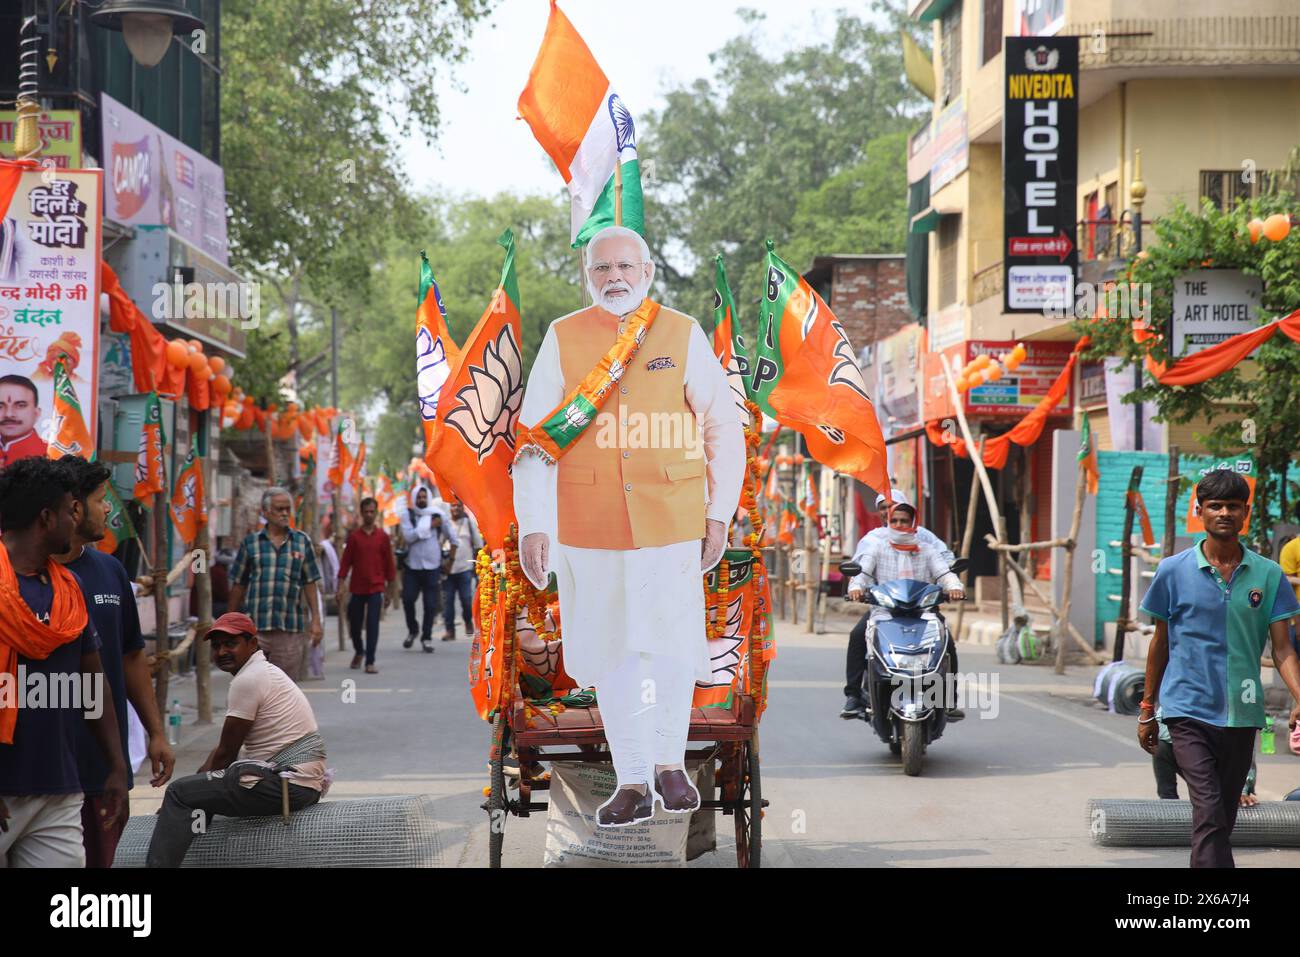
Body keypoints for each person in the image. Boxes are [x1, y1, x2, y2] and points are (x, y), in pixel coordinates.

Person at [515, 224, 746, 827]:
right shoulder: (563, 337)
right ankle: (634, 779)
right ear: (587, 276)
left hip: (670, 520)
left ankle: (671, 763)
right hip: (587, 526)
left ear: (647, 273)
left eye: (625, 268)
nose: (613, 278)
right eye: (601, 269)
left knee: (668, 645)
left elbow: (723, 425)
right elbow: (536, 440)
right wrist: (534, 524)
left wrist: (718, 513)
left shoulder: (680, 331)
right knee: (614, 652)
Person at [1137, 468, 1300, 868]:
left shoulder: (1269, 574)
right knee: (1208, 809)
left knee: (1222, 818)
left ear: (1245, 513)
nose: (1224, 512)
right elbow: (1160, 642)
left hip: (1242, 713)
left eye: (1233, 505)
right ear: (1200, 511)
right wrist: (1147, 707)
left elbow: (1283, 650)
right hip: (1186, 710)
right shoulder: (1173, 571)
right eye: (1215, 506)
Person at [0, 456, 127, 867]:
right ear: (46, 517)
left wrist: (115, 765)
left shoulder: (68, 589)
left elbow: (94, 683)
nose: (77, 519)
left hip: (58, 789)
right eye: (71, 509)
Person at [52, 455, 175, 867]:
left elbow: (132, 655)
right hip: (39, 765)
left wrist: (156, 732)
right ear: (73, 507)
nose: (108, 509)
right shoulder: (20, 577)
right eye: (102, 499)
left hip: (104, 763)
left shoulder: (111, 571)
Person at [145, 612, 325, 867]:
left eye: (231, 644)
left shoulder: (249, 679)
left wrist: (192, 789)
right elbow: (223, 749)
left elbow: (225, 754)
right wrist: (199, 783)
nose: (221, 652)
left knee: (178, 793)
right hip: (300, 784)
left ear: (253, 644)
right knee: (195, 789)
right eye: (216, 646)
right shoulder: (264, 671)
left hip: (288, 786)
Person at [842, 502, 965, 720]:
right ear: (888, 522)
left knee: (948, 644)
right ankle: (854, 696)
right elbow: (861, 575)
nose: (899, 525)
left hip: (922, 611)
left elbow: (944, 573)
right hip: (884, 611)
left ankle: (948, 699)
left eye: (904, 521)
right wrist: (855, 588)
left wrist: (954, 587)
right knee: (857, 636)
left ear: (913, 522)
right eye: (894, 520)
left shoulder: (927, 549)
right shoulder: (877, 547)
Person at [228, 487, 324, 682]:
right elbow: (239, 584)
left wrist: (315, 620)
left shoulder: (301, 541)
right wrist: (229, 622)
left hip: (289, 628)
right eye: (279, 509)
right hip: (255, 630)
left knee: (285, 689)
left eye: (287, 509)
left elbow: (310, 583)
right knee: (253, 686)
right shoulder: (251, 543)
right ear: (265, 512)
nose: (284, 514)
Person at [339, 497, 396, 673]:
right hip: (357, 588)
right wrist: (340, 584)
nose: (369, 514)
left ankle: (370, 660)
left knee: (372, 625)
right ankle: (359, 651)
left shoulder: (383, 537)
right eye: (366, 511)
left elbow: (389, 565)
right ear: (362, 513)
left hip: (376, 588)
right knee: (354, 624)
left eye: (372, 511)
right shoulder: (354, 537)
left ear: (376, 512)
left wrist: (390, 592)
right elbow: (346, 562)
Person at [398, 486, 452, 653]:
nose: (421, 500)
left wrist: (451, 560)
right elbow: (409, 537)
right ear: (414, 498)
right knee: (407, 599)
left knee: (430, 605)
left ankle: (426, 637)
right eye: (418, 497)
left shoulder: (438, 515)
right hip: (413, 566)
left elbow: (452, 537)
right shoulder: (408, 515)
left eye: (424, 497)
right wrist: (429, 526)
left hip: (432, 566)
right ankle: (413, 630)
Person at [443, 499, 482, 642]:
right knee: (448, 601)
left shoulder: (469, 524)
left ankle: (467, 621)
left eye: (458, 506)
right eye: (453, 505)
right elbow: (439, 543)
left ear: (462, 508)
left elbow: (478, 546)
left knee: (466, 599)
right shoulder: (445, 524)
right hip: (448, 570)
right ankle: (449, 630)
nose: (455, 508)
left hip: (465, 569)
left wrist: (477, 566)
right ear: (449, 508)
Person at [0, 375, 47, 468]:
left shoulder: (52, 457)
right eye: (0, 407)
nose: (8, 414)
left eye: (20, 405)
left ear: (36, 413)